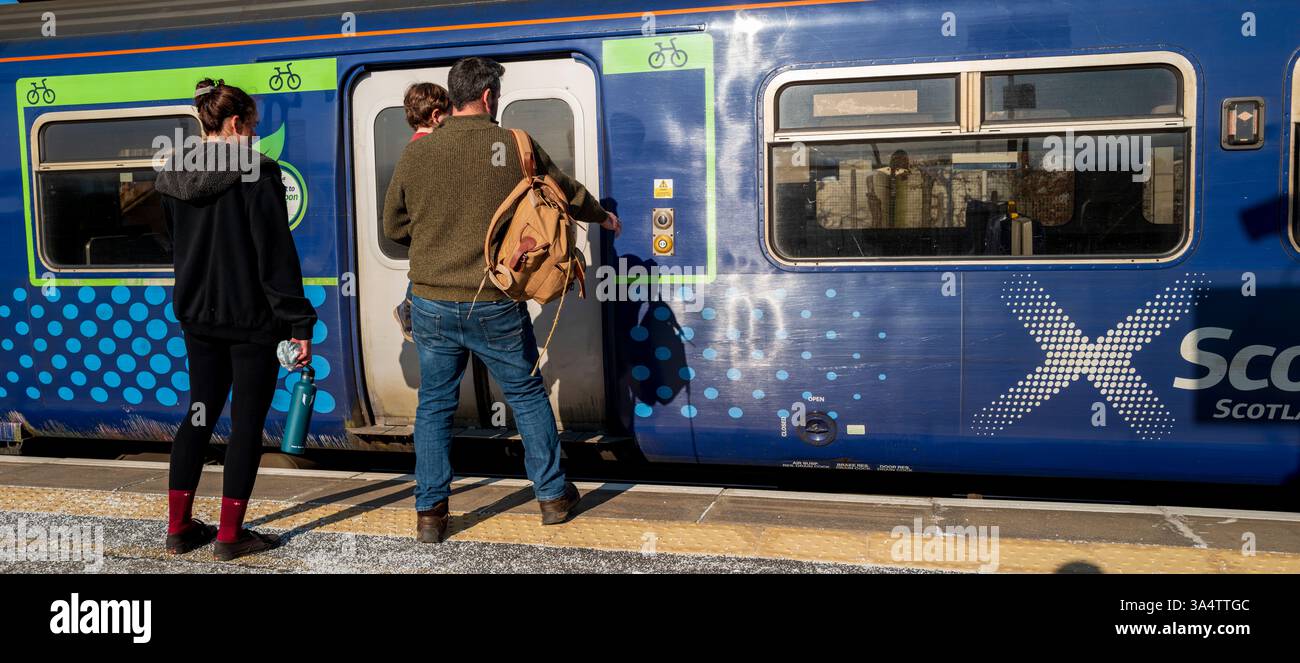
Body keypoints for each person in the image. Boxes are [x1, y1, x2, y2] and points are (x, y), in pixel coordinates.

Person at [383, 56, 621, 543]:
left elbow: (393, 226)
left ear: (453, 97)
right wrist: (601, 217)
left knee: (434, 407)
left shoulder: (418, 152)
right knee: (527, 396)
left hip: (430, 301)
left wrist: (435, 240)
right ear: (489, 97)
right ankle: (553, 496)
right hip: (493, 299)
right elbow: (564, 192)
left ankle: (431, 513)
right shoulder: (513, 144)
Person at [155, 79, 317, 561]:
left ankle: (179, 528)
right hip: (250, 321)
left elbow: (175, 244)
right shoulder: (256, 174)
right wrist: (299, 324)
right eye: (253, 126)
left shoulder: (172, 172)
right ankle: (230, 536)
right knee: (246, 423)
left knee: (198, 413)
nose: (255, 136)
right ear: (233, 123)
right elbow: (275, 258)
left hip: (198, 317)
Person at [393, 82, 452, 342]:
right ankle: (407, 309)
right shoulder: (429, 149)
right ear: (437, 116)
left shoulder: (413, 147)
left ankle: (407, 308)